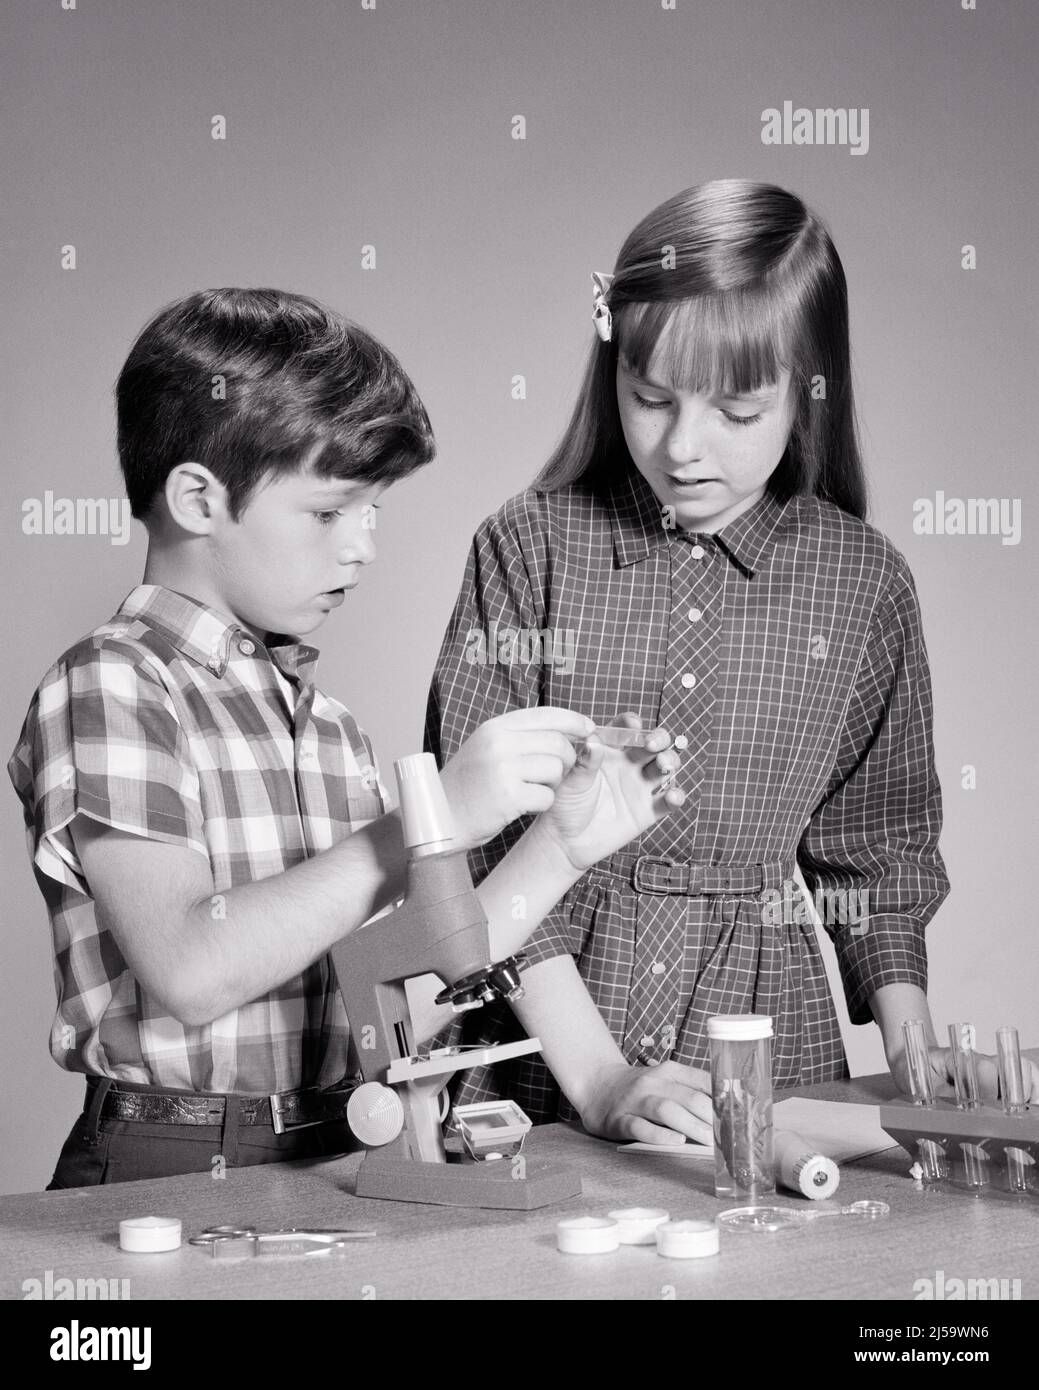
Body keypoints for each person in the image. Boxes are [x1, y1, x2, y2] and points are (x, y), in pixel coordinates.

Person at [7, 287, 685, 1187]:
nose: (363, 546)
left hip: (336, 1149)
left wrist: (558, 850)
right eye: (331, 512)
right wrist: (428, 818)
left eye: (375, 511)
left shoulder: (330, 732)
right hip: (167, 1159)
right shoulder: (113, 685)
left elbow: (398, 1000)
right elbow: (191, 970)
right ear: (198, 499)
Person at [425, 178, 1037, 1144]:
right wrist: (596, 1080)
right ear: (610, 369)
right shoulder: (526, 547)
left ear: (807, 390)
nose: (682, 447)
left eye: (737, 412)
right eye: (650, 399)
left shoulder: (861, 579)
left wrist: (913, 1057)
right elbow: (478, 849)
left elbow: (875, 847)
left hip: (773, 1044)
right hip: (543, 1048)